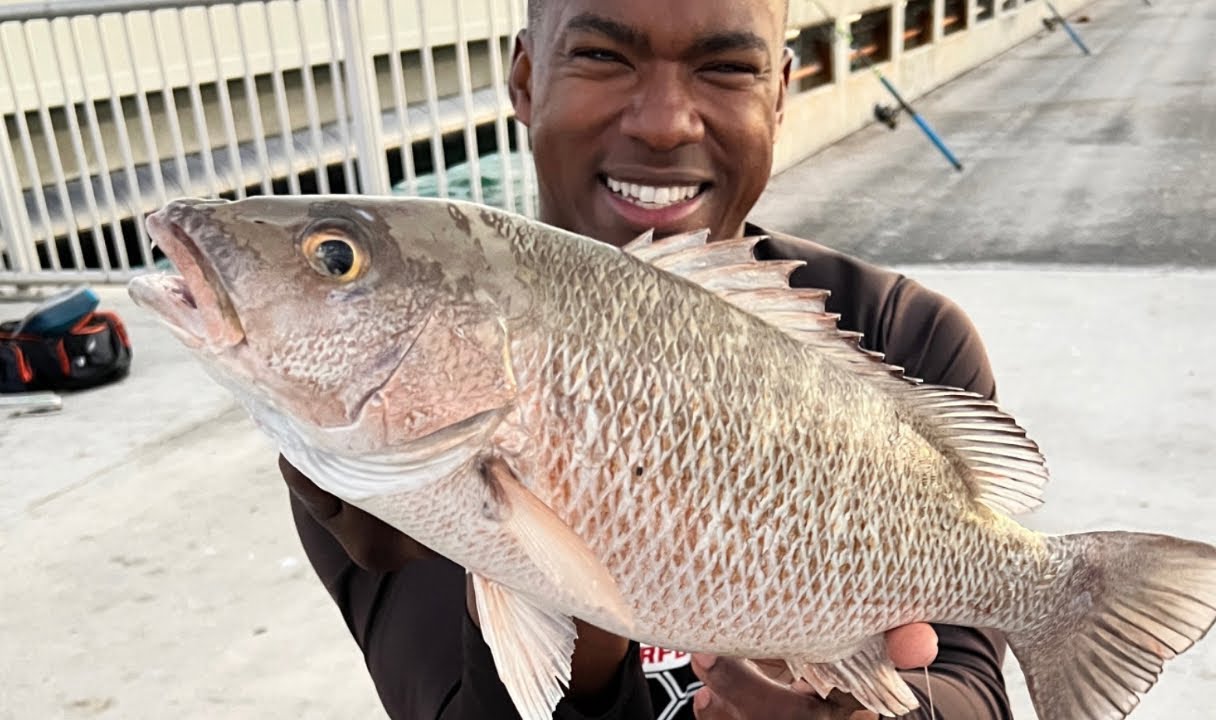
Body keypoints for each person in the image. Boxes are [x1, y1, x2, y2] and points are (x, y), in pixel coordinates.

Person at [281, 0, 1013, 717]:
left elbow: (970, 688)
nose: (665, 124)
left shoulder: (899, 336)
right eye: (602, 56)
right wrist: (548, 589)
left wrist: (885, 713)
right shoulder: (373, 420)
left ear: (779, 94)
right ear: (527, 79)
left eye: (726, 67)